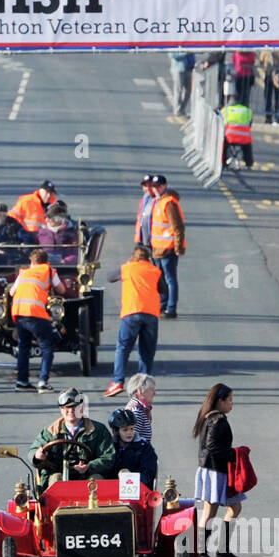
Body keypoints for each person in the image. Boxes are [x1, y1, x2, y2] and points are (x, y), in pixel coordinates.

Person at [192, 383, 244, 557]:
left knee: (235, 507)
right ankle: (200, 552)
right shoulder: (216, 420)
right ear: (219, 401)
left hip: (218, 470)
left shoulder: (212, 417)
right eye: (229, 400)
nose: (231, 404)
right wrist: (233, 453)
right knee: (209, 512)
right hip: (214, 471)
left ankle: (223, 549)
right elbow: (212, 446)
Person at [104, 244, 162, 397]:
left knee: (123, 347)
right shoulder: (155, 271)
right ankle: (143, 386)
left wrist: (128, 265)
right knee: (146, 351)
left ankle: (117, 382)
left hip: (131, 312)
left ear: (134, 257)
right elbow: (163, 289)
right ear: (148, 258)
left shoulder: (127, 268)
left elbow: (109, 277)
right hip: (151, 314)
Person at [27, 387, 115, 487]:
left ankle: (94, 503)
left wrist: (89, 466)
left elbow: (109, 457)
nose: (71, 410)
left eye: (75, 407)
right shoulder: (50, 432)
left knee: (96, 481)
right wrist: (37, 455)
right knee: (56, 479)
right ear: (61, 410)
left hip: (88, 475)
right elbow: (33, 451)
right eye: (66, 407)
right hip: (58, 474)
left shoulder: (99, 430)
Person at [9, 248, 60, 393]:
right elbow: (61, 289)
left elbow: (12, 292)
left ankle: (22, 381)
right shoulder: (49, 270)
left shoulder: (23, 272)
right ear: (46, 261)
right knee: (47, 347)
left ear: (31, 261)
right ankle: (43, 381)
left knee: (23, 347)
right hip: (36, 313)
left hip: (18, 312)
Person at [137, 175, 185, 318]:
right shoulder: (158, 201)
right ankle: (162, 304)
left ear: (165, 186)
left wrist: (178, 247)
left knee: (170, 279)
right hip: (157, 248)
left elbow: (177, 227)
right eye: (154, 186)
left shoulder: (169, 203)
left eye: (158, 186)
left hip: (168, 248)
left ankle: (171, 307)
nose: (155, 189)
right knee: (161, 278)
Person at [109, 408, 158, 487]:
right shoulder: (109, 445)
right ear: (116, 431)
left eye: (132, 429)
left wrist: (131, 481)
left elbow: (149, 471)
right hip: (112, 487)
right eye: (125, 430)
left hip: (138, 487)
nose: (129, 433)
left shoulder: (144, 446)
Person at [220, 85, 254, 169]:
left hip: (230, 138)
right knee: (247, 145)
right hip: (244, 139)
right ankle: (248, 163)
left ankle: (223, 162)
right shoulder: (247, 111)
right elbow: (250, 124)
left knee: (222, 143)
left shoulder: (225, 110)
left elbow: (219, 122)